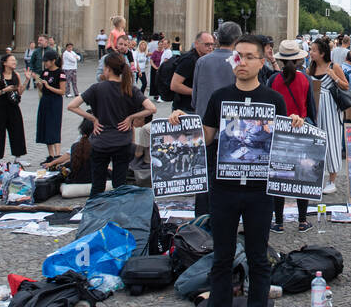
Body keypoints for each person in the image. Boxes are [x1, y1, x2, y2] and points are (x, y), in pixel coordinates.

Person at [199, 35, 301, 307]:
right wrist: (180, 123)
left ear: (262, 61)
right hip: (224, 188)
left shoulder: (273, 100)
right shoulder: (219, 97)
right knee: (222, 257)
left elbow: (284, 145)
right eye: (237, 57)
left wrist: (296, 123)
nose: (240, 62)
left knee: (259, 258)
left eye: (248, 57)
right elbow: (205, 138)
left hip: (259, 191)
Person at [70, 53, 156, 194]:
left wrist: (93, 119)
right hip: (122, 141)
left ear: (108, 69)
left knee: (97, 184)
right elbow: (152, 108)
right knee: (120, 184)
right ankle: (118, 211)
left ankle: (95, 211)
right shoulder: (130, 88)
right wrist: (131, 118)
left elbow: (72, 105)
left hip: (100, 140)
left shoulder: (97, 88)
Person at [269, 38, 316, 233]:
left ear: (280, 60)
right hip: (301, 129)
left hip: (280, 132)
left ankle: (278, 222)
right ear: (298, 60)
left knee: (279, 175)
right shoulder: (305, 79)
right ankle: (302, 220)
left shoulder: (272, 80)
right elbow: (311, 108)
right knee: (301, 176)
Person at [307, 36, 351, 193]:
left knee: (332, 141)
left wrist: (335, 78)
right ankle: (316, 177)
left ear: (322, 53)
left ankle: (332, 180)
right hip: (315, 108)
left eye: (313, 50)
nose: (310, 52)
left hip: (332, 109)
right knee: (314, 142)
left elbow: (346, 87)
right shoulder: (309, 69)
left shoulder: (334, 66)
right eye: (310, 49)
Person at [0, 53, 26, 161]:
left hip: (13, 107)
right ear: (4, 63)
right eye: (12, 60)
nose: (14, 62)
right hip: (0, 107)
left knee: (17, 131)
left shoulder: (16, 75)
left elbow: (20, 92)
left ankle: (17, 158)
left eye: (15, 60)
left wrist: (27, 80)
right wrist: (4, 90)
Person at [170, 31, 216, 111]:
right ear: (196, 44)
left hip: (198, 106)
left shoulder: (205, 58)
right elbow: (174, 85)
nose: (210, 47)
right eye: (207, 44)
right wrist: (198, 92)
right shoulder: (188, 60)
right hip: (184, 108)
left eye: (212, 44)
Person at [35, 48, 67, 160]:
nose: (45, 63)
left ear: (53, 61)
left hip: (55, 101)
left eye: (46, 61)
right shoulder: (44, 72)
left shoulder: (60, 73)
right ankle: (51, 155)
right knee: (46, 126)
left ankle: (58, 154)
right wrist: (39, 85)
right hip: (45, 100)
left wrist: (49, 87)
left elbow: (62, 91)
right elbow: (42, 89)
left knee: (54, 126)